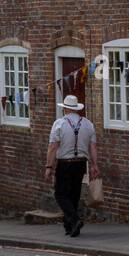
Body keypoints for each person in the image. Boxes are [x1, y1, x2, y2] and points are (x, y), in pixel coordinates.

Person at [44, 94, 100, 238]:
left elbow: (53, 147)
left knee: (60, 194)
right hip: (81, 163)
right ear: (76, 109)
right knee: (74, 194)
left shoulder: (59, 124)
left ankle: (74, 220)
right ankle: (69, 226)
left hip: (65, 163)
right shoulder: (88, 124)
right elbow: (93, 147)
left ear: (65, 109)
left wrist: (49, 167)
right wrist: (94, 165)